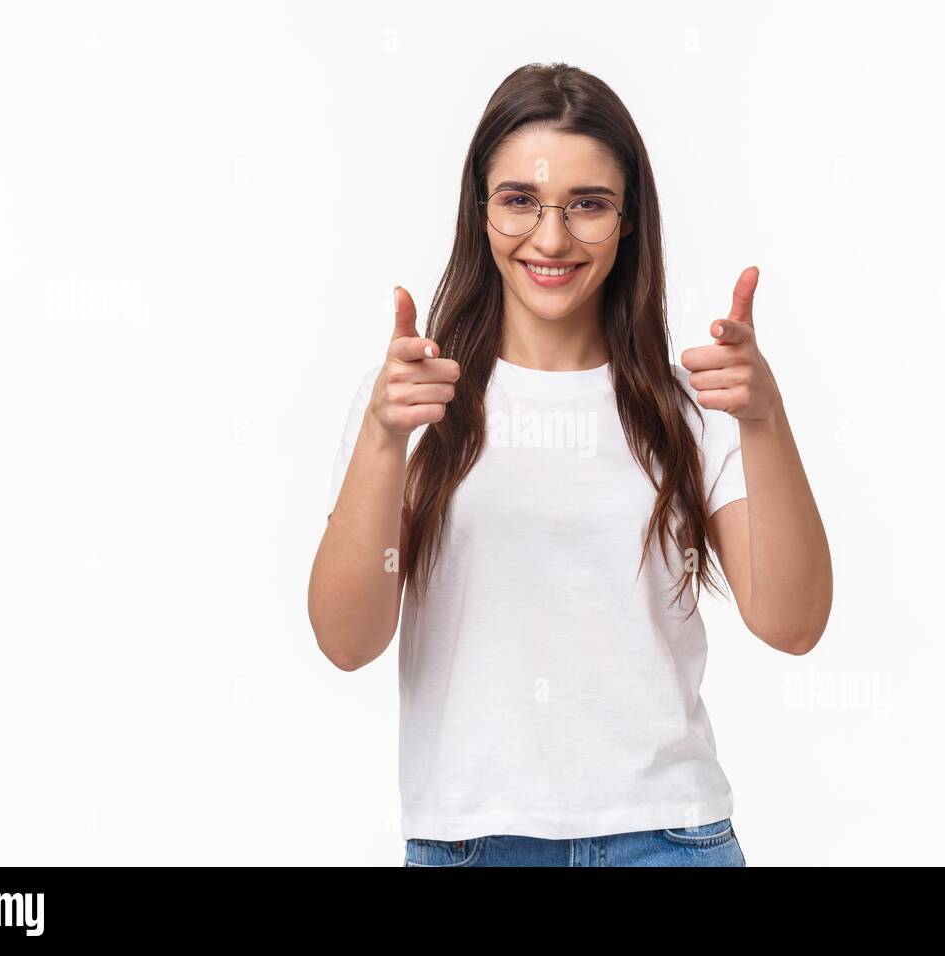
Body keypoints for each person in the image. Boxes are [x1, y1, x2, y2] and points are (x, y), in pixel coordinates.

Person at [307, 62, 833, 867]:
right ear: (480, 211)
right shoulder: (414, 402)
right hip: (471, 841)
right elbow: (346, 641)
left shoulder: (697, 406)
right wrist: (383, 438)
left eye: (588, 205)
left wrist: (765, 419)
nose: (551, 239)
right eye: (520, 200)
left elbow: (794, 624)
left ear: (628, 220)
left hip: (668, 839)